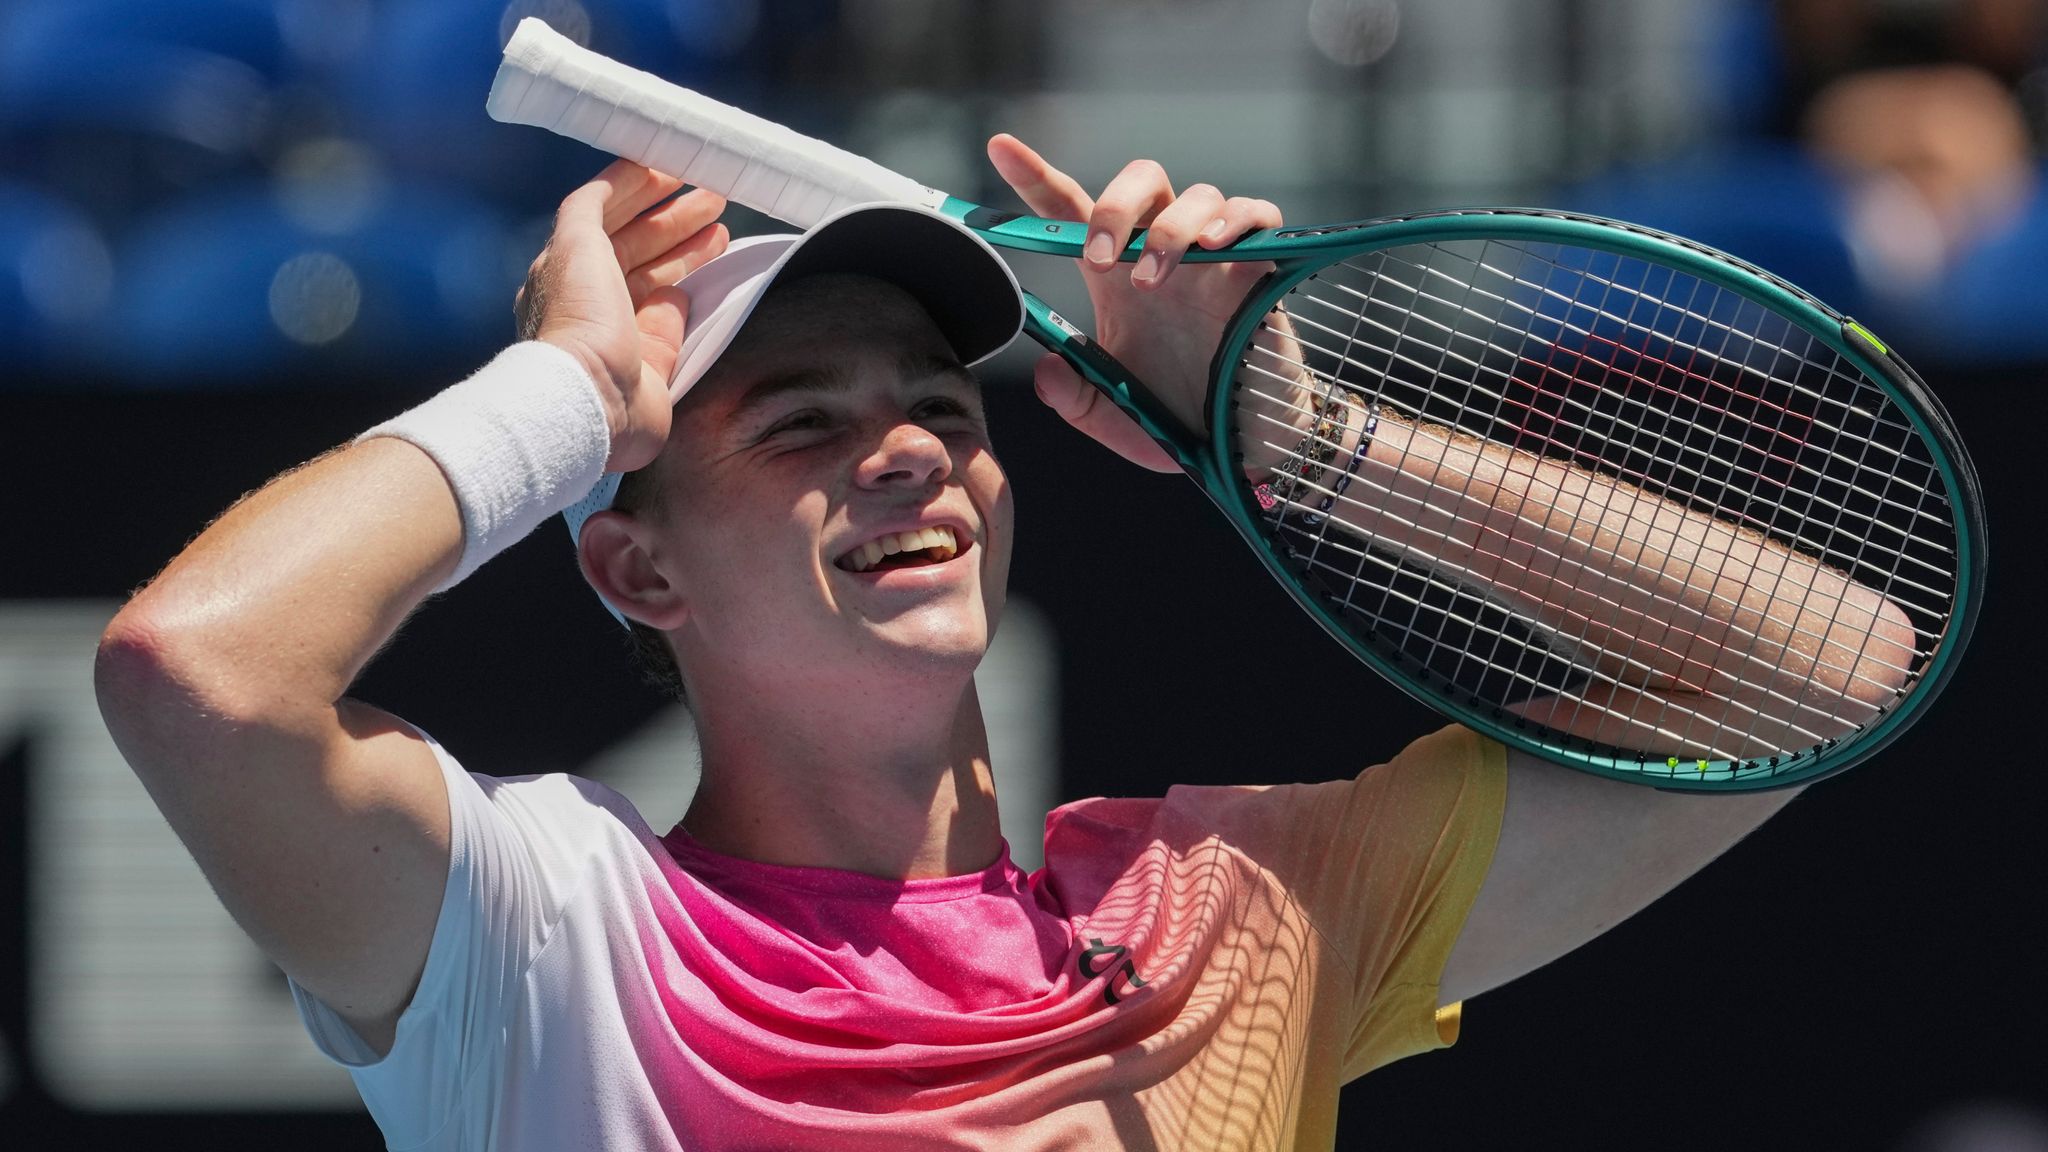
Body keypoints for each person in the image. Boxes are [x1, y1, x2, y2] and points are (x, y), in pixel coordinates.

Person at [94, 135, 1891, 1150]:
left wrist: (1298, 441)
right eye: (801, 426)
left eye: (943, 408)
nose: (905, 448)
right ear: (640, 573)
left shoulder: (1244, 913)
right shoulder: (534, 932)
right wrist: (567, 392)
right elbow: (196, 672)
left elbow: (1822, 671)